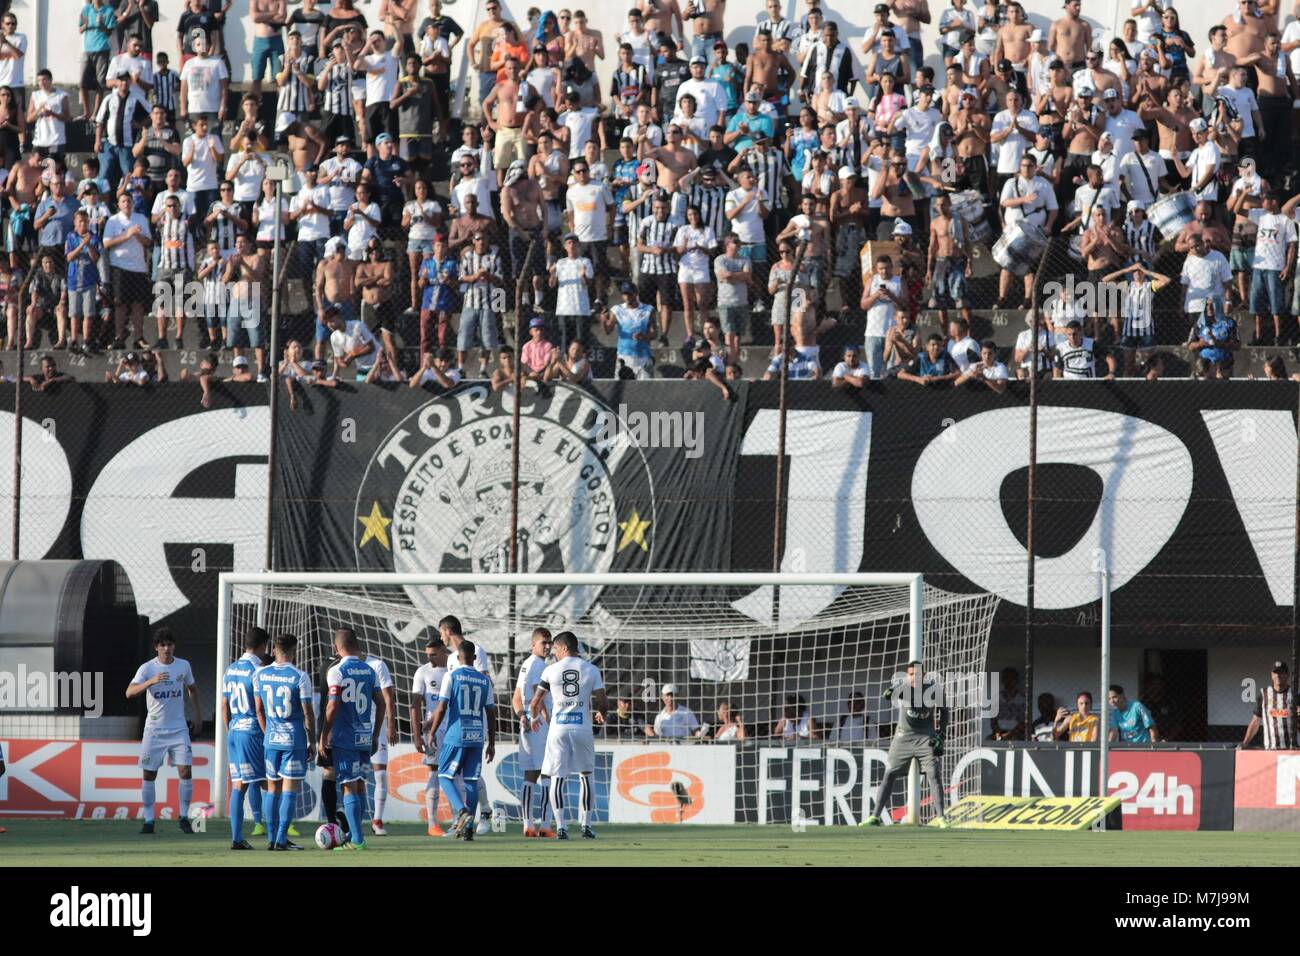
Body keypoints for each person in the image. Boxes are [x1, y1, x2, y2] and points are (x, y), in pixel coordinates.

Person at [529, 631, 606, 840]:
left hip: (558, 729)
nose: (553, 652)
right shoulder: (591, 669)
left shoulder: (550, 670)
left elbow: (535, 702)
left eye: (555, 648)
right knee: (586, 775)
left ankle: (561, 827)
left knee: (557, 777)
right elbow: (602, 700)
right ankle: (586, 826)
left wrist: (533, 718)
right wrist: (601, 713)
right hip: (582, 728)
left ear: (564, 648)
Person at [126, 628, 201, 835]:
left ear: (174, 646)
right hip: (155, 730)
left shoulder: (183, 665)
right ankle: (149, 820)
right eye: (162, 645)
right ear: (156, 647)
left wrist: (197, 714)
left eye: (169, 644)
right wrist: (151, 681)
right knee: (149, 774)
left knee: (185, 770)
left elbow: (192, 688)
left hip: (178, 729)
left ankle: (184, 816)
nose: (166, 648)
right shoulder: (147, 669)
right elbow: (129, 692)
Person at [319, 627, 387, 850]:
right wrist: (375, 733)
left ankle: (357, 839)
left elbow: (332, 705)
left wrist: (323, 734)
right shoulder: (369, 670)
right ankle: (356, 835)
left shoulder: (336, 671)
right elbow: (382, 702)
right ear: (357, 645)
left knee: (348, 787)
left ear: (336, 648)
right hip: (364, 736)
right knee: (359, 786)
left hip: (344, 737)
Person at [862, 662, 949, 827]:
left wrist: (941, 734)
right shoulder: (904, 687)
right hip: (903, 737)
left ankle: (941, 817)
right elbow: (891, 693)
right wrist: (890, 692)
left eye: (917, 674)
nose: (913, 677)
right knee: (889, 774)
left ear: (923, 676)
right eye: (910, 674)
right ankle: (875, 816)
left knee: (934, 774)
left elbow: (944, 711)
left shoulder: (934, 690)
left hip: (925, 737)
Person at [253, 633, 317, 852]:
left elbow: (259, 710)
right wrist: (313, 741)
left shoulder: (260, 674)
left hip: (271, 740)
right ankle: (281, 839)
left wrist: (268, 732)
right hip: (293, 740)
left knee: (272, 788)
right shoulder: (300, 676)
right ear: (294, 651)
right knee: (289, 789)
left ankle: (272, 839)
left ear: (273, 651)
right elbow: (308, 712)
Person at [427, 639, 496, 841]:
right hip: (477, 735)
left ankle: (461, 811)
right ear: (474, 658)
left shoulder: (452, 676)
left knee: (444, 775)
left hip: (456, 734)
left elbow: (441, 707)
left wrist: (432, 731)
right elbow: (491, 713)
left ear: (458, 658)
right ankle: (468, 831)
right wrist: (491, 742)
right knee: (471, 780)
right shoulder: (485, 681)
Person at [220, 627, 269, 851]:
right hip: (252, 731)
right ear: (262, 647)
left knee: (239, 785)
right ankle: (276, 837)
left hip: (234, 731)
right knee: (270, 783)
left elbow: (223, 705)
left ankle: (237, 838)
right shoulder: (258, 670)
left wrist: (229, 728)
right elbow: (261, 708)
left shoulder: (229, 670)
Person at [512, 627, 557, 838]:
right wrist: (544, 718)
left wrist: (522, 717)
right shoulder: (539, 665)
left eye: (550, 643)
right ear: (533, 645)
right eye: (543, 643)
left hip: (528, 725)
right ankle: (546, 825)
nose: (547, 646)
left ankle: (528, 825)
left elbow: (516, 698)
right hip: (539, 725)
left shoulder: (526, 664)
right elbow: (538, 699)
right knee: (548, 772)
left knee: (530, 774)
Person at [410, 637, 450, 836]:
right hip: (433, 730)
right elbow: (415, 704)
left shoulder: (454, 668)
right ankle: (432, 824)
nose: (430, 658)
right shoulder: (423, 671)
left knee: (459, 774)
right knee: (434, 771)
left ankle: (461, 820)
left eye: (433, 654)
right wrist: (417, 735)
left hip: (454, 728)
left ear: (444, 651)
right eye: (427, 654)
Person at [1241, 661, 1298, 749]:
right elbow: (1256, 721)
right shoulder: (1263, 694)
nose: (1278, 676)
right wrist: (1244, 743)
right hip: (1270, 748)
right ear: (1271, 675)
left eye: (1281, 672)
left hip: (1290, 749)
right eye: (1275, 673)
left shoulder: (1294, 695)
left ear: (1287, 675)